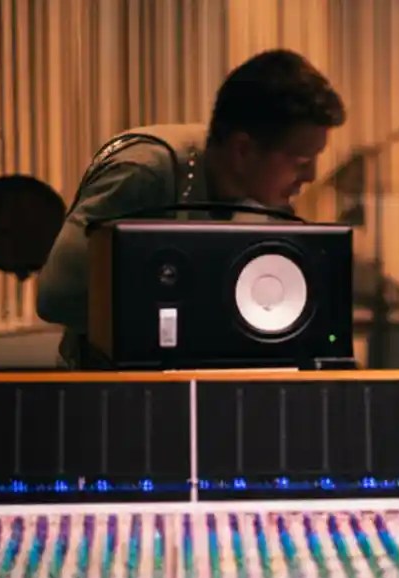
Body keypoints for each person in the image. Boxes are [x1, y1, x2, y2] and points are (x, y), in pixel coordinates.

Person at [36, 49, 346, 368]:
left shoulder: (263, 197)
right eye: (301, 162)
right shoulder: (144, 171)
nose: (310, 177)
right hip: (108, 392)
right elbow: (57, 297)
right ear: (243, 150)